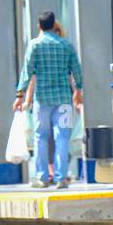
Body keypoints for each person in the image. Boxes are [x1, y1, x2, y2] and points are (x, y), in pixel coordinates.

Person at [14, 11, 83, 189]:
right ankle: (61, 178)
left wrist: (19, 96)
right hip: (64, 100)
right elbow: (77, 71)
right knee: (62, 138)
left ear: (39, 26)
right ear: (54, 25)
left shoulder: (34, 45)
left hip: (42, 100)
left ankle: (43, 178)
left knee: (40, 137)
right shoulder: (66, 45)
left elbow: (26, 72)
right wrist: (78, 91)